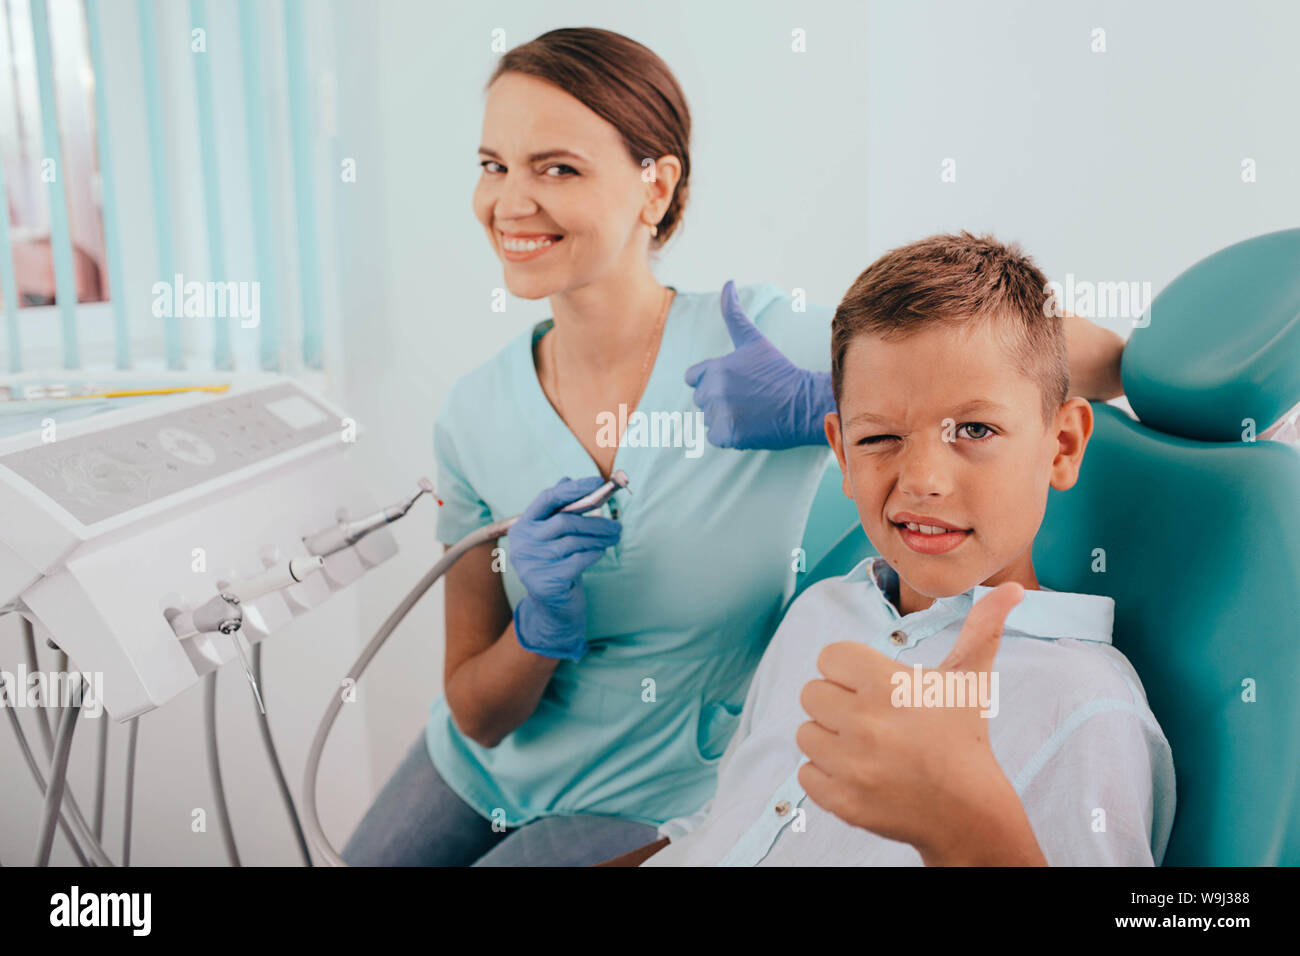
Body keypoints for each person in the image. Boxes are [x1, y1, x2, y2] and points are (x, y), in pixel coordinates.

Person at [343, 28, 1127, 867]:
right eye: (494, 165)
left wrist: (819, 397)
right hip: (481, 767)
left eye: (557, 167)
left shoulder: (755, 339)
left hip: (660, 799)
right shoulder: (474, 414)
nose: (510, 202)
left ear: (656, 185)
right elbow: (475, 712)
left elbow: (1067, 359)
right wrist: (535, 630)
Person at [602, 234, 1174, 866]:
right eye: (879, 436)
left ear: (1061, 446)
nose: (922, 478)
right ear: (842, 455)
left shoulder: (1082, 704)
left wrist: (969, 825)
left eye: (975, 429)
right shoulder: (821, 611)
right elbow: (713, 825)